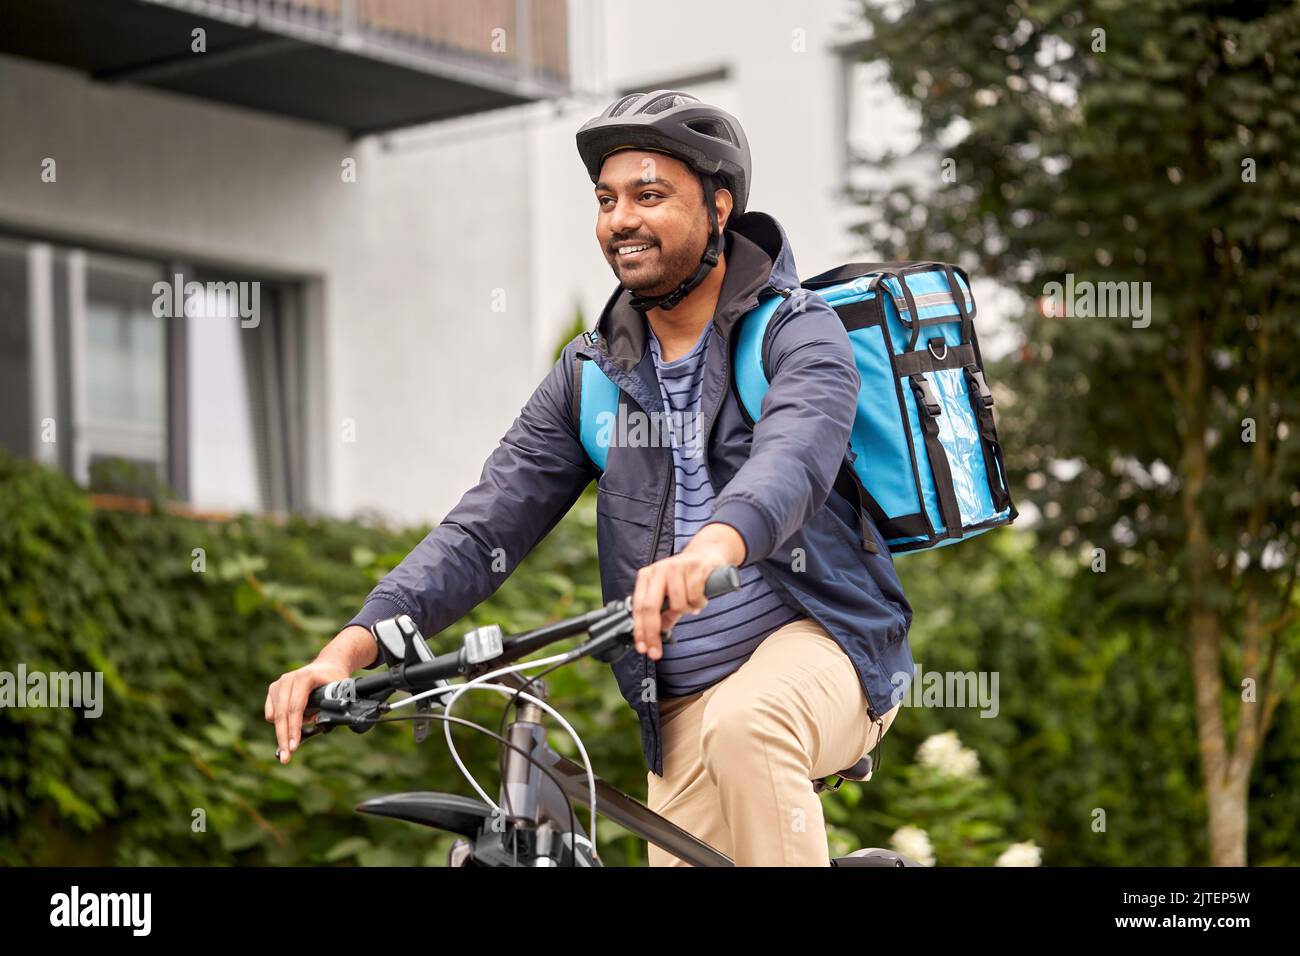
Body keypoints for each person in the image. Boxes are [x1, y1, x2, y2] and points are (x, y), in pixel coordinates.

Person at [265, 90, 915, 866]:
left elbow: (794, 456)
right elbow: (485, 526)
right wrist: (350, 649)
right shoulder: (591, 374)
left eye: (649, 195)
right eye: (606, 200)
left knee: (750, 724)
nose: (620, 219)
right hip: (678, 709)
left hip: (828, 647)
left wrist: (712, 549)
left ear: (718, 208)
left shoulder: (794, 328)